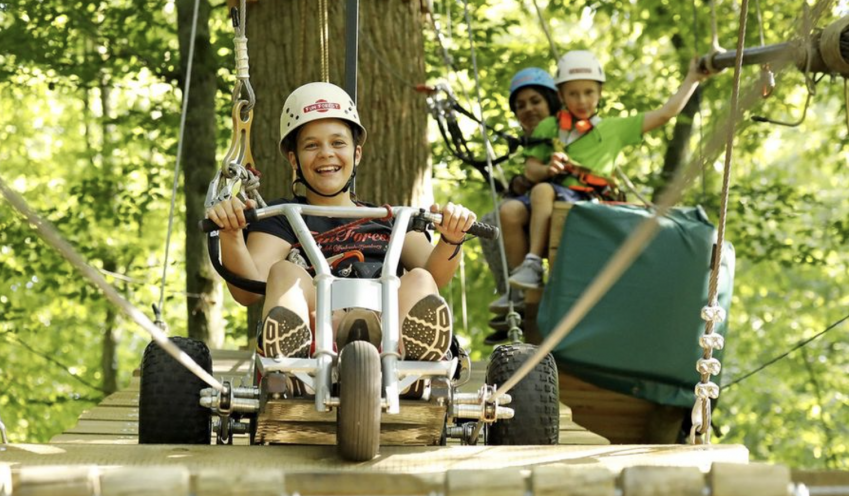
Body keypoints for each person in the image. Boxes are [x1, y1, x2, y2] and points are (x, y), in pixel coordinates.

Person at [206, 81, 477, 365]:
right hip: (316, 326)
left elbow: (435, 276)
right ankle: (292, 360)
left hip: (388, 326)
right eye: (311, 146)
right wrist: (232, 235)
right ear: (294, 159)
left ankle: (414, 366)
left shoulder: (391, 219)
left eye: (338, 143)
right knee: (286, 273)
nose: (326, 153)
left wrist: (451, 238)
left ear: (356, 153)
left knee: (420, 279)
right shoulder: (281, 217)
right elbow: (249, 289)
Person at [507, 50, 712, 290]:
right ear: (561, 95)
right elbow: (531, 169)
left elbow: (665, 114)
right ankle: (520, 285)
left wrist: (692, 79)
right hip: (552, 196)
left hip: (590, 199)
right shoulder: (549, 127)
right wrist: (547, 168)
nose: (582, 100)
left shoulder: (613, 128)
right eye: (573, 94)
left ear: (600, 93)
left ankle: (532, 262)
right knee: (510, 210)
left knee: (541, 191)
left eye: (589, 92)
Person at [482, 67, 561, 343]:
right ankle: (518, 289)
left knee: (496, 217)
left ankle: (522, 292)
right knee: (503, 213)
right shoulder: (530, 143)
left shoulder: (566, 128)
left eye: (535, 101)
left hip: (561, 199)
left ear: (551, 101)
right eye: (520, 106)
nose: (528, 109)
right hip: (533, 206)